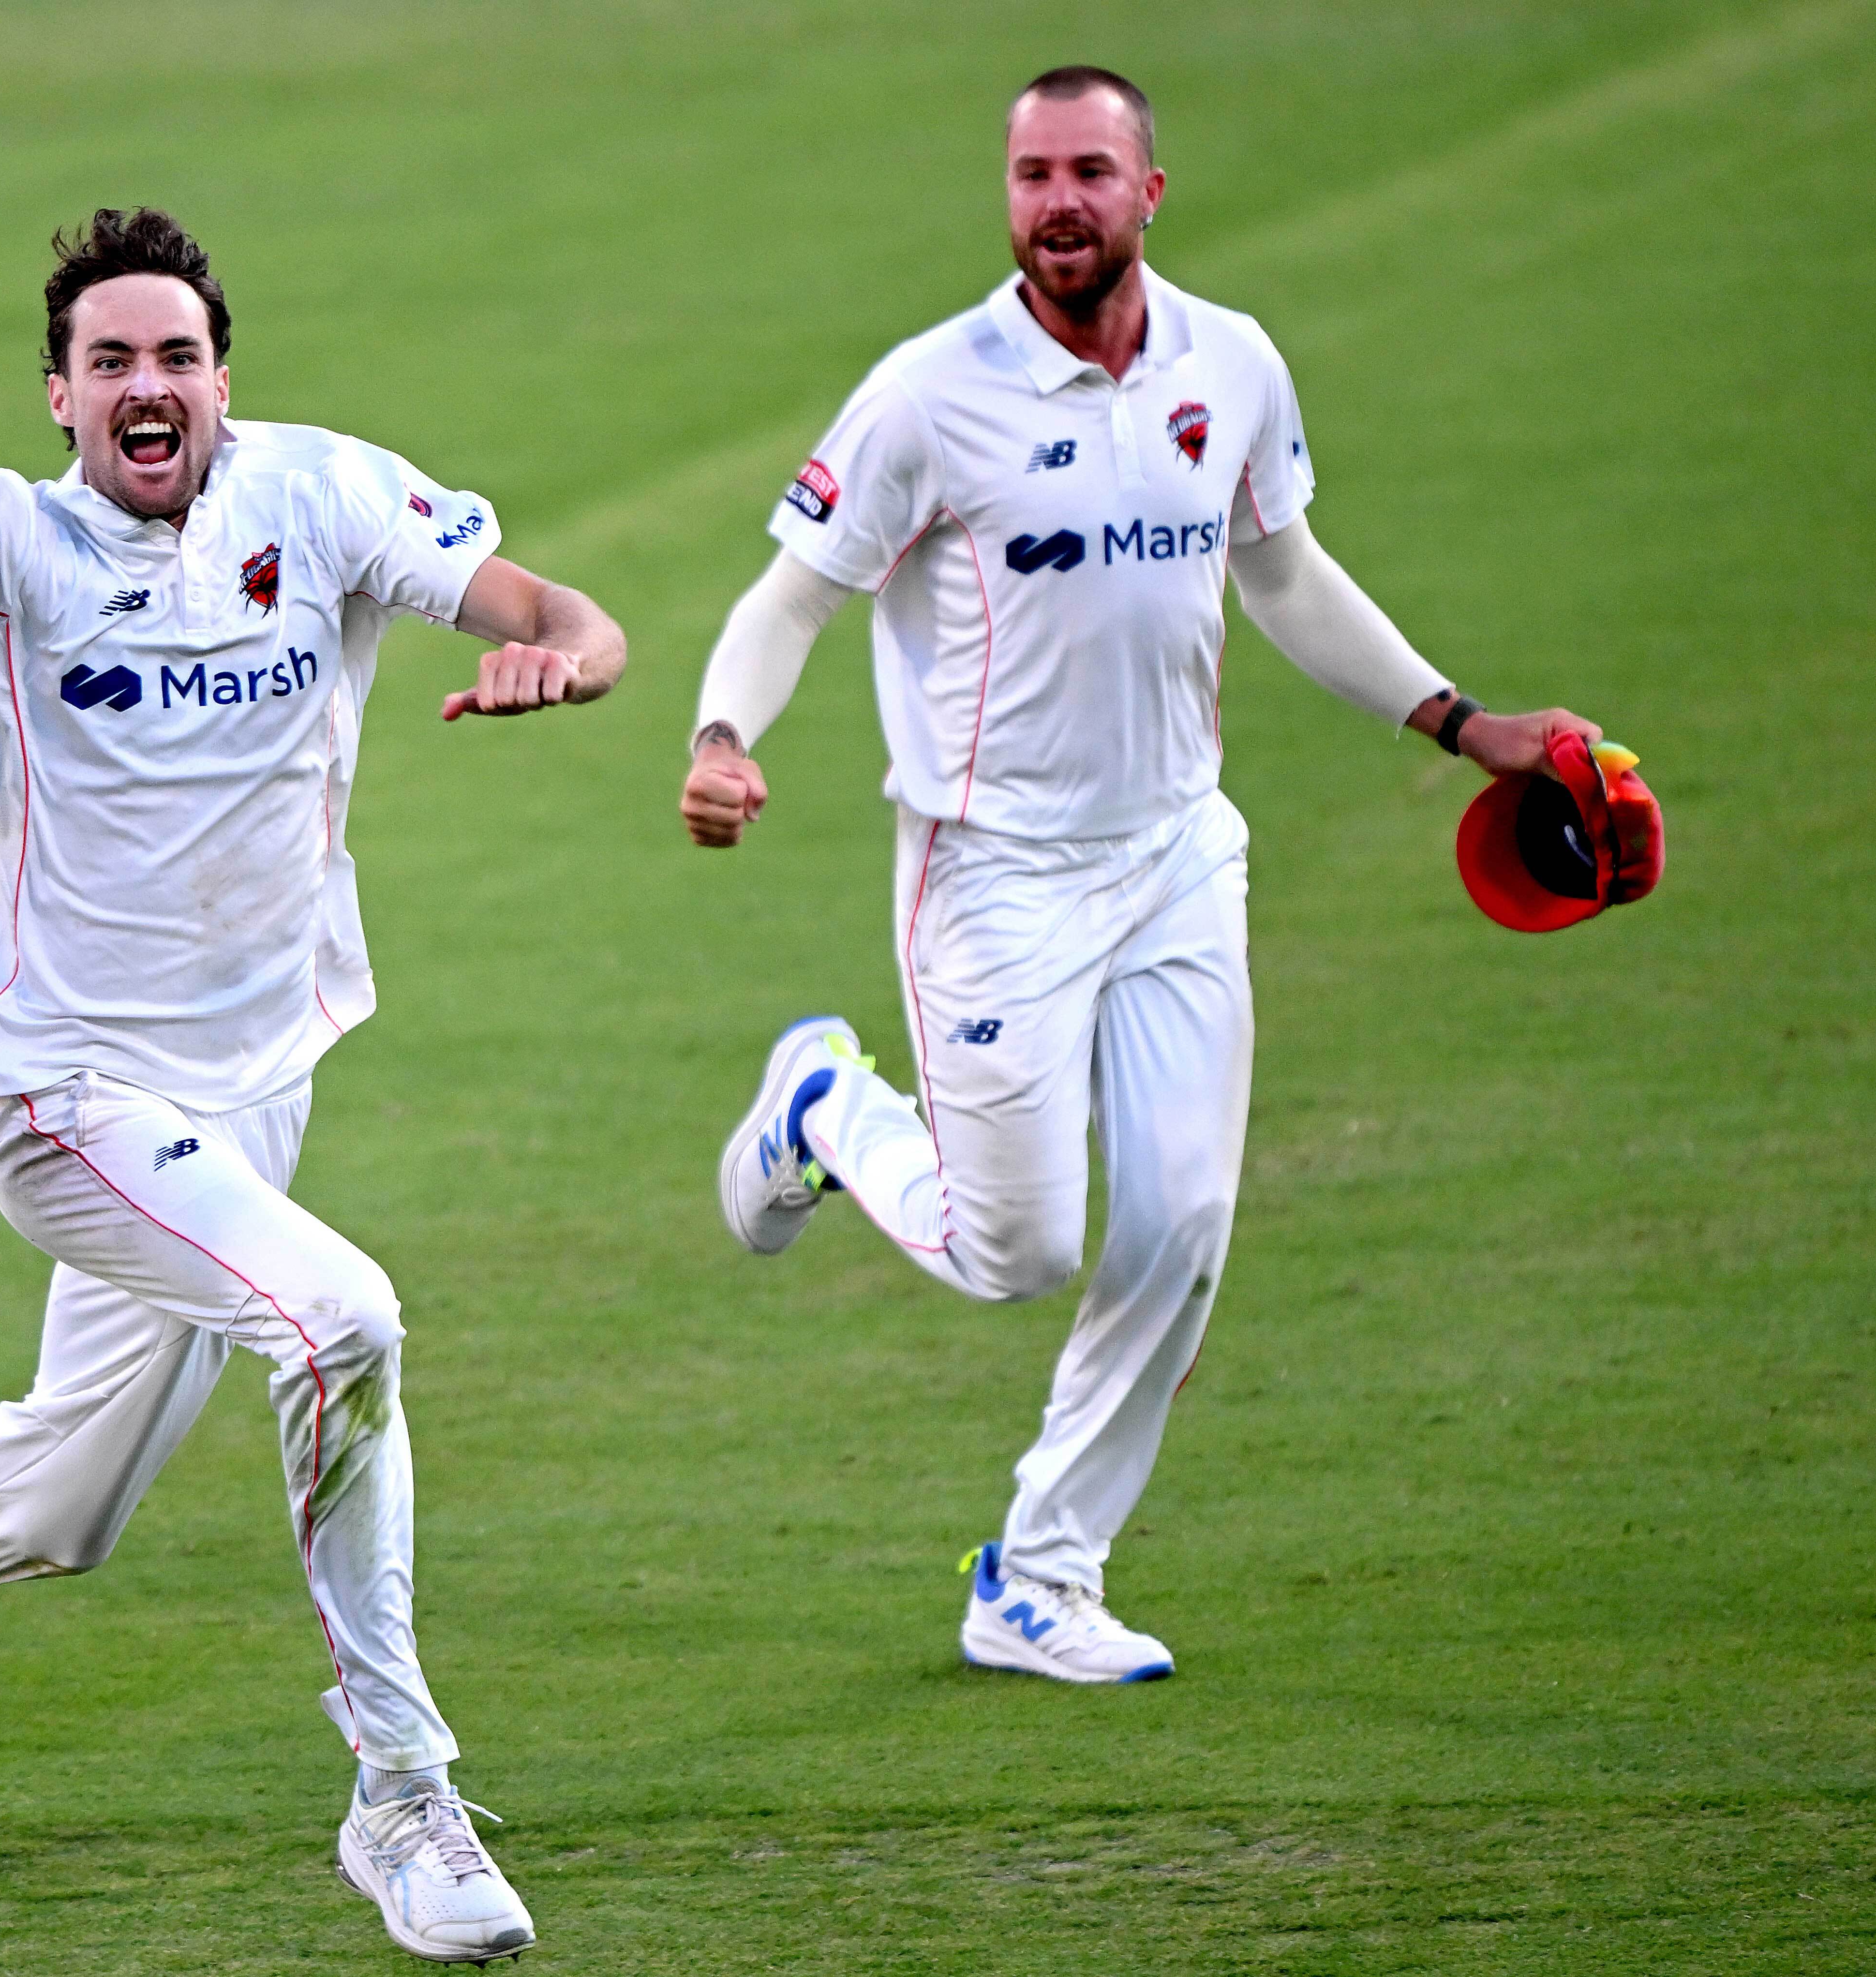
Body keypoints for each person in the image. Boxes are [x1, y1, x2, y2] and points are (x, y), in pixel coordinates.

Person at [0, 203, 625, 1968]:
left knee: (60, 1507)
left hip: (250, 1092)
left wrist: (561, 649)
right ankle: (401, 1795)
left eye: (174, 354)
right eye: (109, 361)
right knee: (339, 1323)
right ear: (57, 396)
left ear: (220, 381)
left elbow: (558, 603)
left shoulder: (318, 497)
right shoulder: (4, 548)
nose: (145, 384)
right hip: (68, 1100)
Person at [679, 68, 1608, 1684]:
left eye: (1089, 173)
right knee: (1014, 1253)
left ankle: (1038, 1575)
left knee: (1180, 1219)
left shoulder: (1227, 364)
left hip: (1178, 851)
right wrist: (719, 734)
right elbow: (788, 599)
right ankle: (824, 1106)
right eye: (1031, 174)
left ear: (1149, 192)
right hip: (995, 872)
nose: (1056, 203)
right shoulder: (926, 395)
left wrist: (1463, 726)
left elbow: (1284, 571)